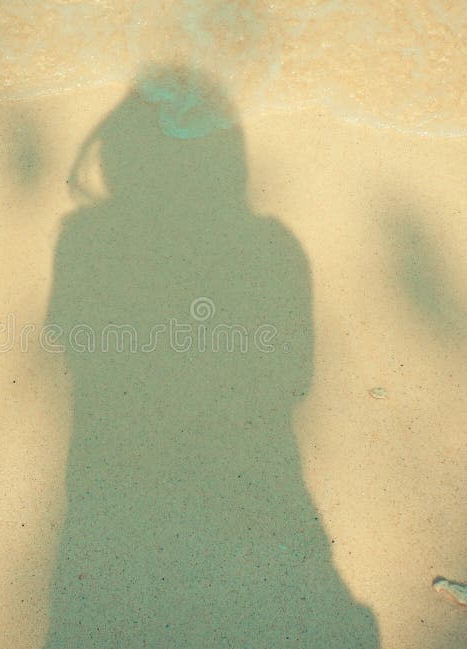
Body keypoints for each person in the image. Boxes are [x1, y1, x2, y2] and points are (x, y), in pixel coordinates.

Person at [43, 67, 379, 648]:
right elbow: (295, 379)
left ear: (121, 158)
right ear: (229, 159)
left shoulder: (85, 241)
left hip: (113, 506)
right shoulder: (274, 249)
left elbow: (68, 341)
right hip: (255, 498)